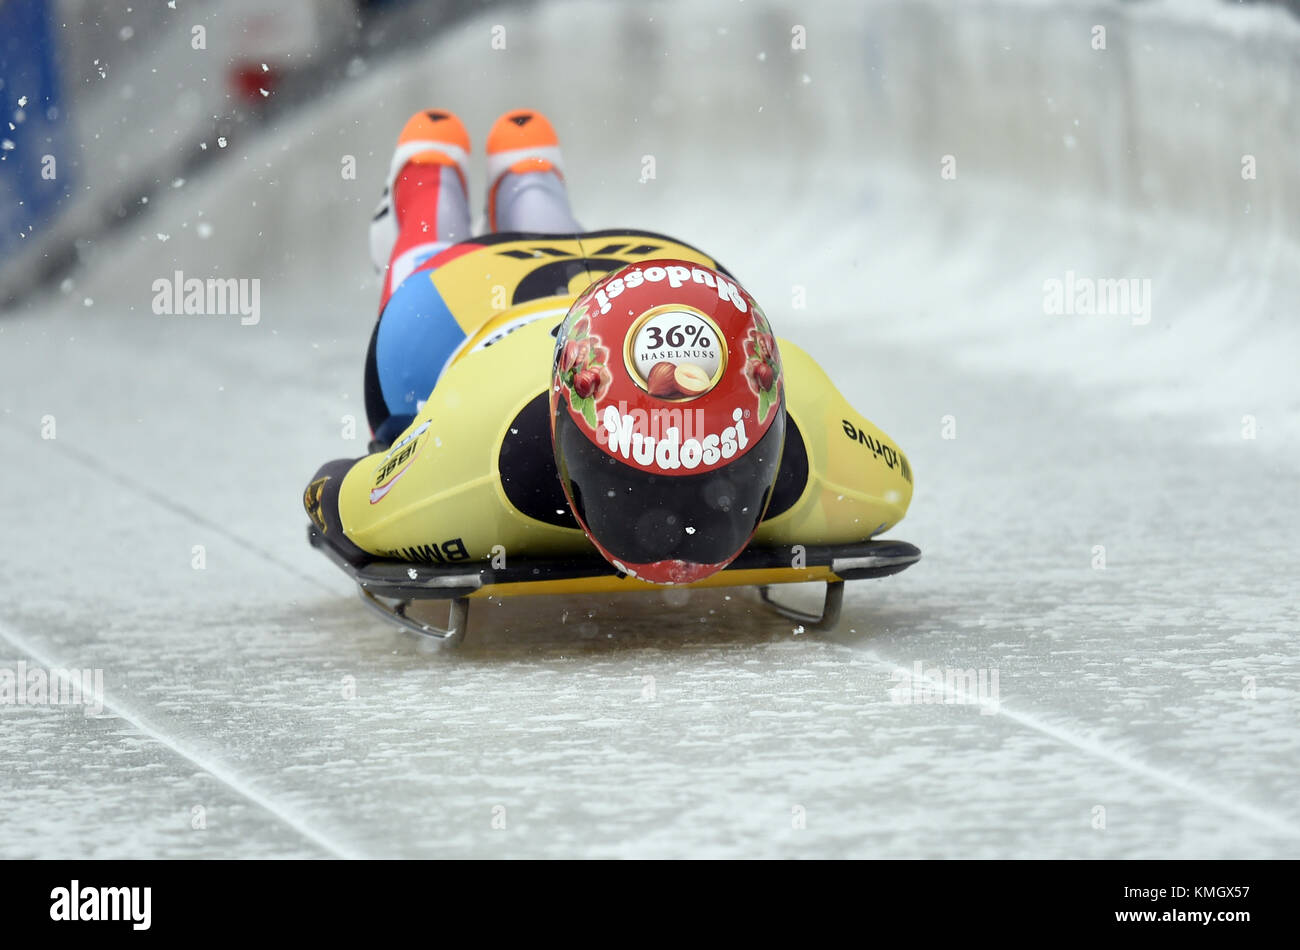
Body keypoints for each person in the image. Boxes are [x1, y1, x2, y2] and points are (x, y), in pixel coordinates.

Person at [303, 108, 914, 586]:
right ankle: (447, 174)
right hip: (446, 312)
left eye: (723, 481)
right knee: (420, 271)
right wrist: (376, 478)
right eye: (628, 484)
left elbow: (338, 496)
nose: (676, 535)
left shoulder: (469, 469)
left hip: (648, 270)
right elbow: (347, 498)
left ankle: (498, 166)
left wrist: (353, 492)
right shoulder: (466, 461)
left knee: (443, 252)